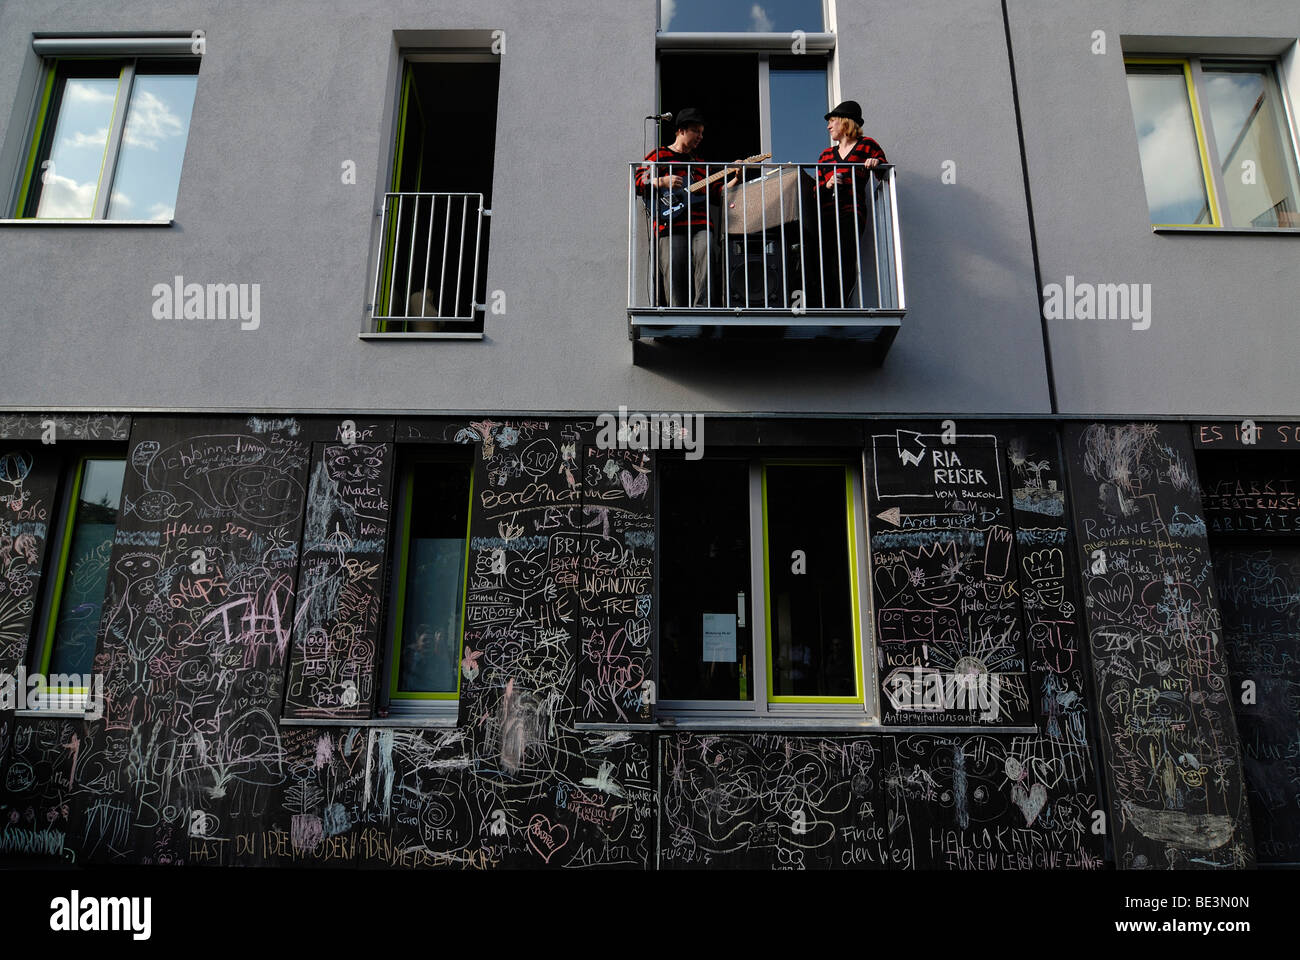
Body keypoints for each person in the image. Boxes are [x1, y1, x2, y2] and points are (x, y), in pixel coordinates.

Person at [635, 108, 736, 307]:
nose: (700, 136)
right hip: (669, 224)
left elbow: (718, 192)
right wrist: (662, 181)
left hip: (700, 223)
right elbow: (639, 181)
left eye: (702, 132)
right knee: (673, 266)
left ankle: (702, 307)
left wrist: (736, 178)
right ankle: (676, 311)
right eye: (696, 131)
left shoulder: (700, 163)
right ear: (681, 130)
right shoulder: (659, 155)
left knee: (707, 252)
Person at [809, 100, 886, 308]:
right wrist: (828, 184)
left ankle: (841, 305)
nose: (828, 126)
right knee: (825, 260)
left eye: (832, 121)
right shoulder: (825, 155)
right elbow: (816, 191)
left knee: (845, 258)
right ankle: (827, 306)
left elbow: (887, 174)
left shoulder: (867, 145)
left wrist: (877, 163)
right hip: (826, 215)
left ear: (845, 122)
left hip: (851, 211)